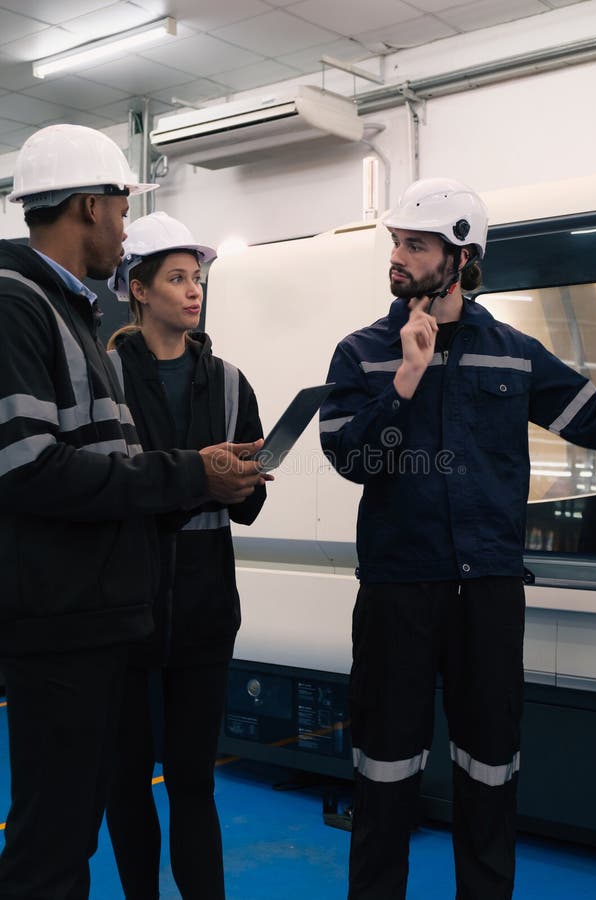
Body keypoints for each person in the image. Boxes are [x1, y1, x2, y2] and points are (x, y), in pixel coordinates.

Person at [319, 176, 596, 900]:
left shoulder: (514, 353)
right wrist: (406, 380)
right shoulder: (361, 353)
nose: (397, 257)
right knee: (383, 767)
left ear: (461, 259)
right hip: (397, 592)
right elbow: (353, 460)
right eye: (396, 242)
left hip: (487, 592)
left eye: (415, 245)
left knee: (490, 767)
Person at [0, 124, 269, 900]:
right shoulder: (18, 305)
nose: (124, 226)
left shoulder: (71, 316)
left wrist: (210, 483)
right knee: (52, 843)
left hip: (104, 617)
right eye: (121, 208)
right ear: (90, 205)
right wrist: (190, 472)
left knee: (71, 836)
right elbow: (28, 467)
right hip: (61, 619)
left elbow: (106, 475)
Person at [104, 212, 266, 900]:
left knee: (194, 781)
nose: (193, 290)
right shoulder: (105, 379)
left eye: (196, 278)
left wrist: (243, 482)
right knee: (125, 781)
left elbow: (249, 503)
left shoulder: (229, 383)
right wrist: (199, 480)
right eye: (176, 278)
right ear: (138, 290)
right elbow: (104, 488)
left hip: (204, 615)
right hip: (124, 613)